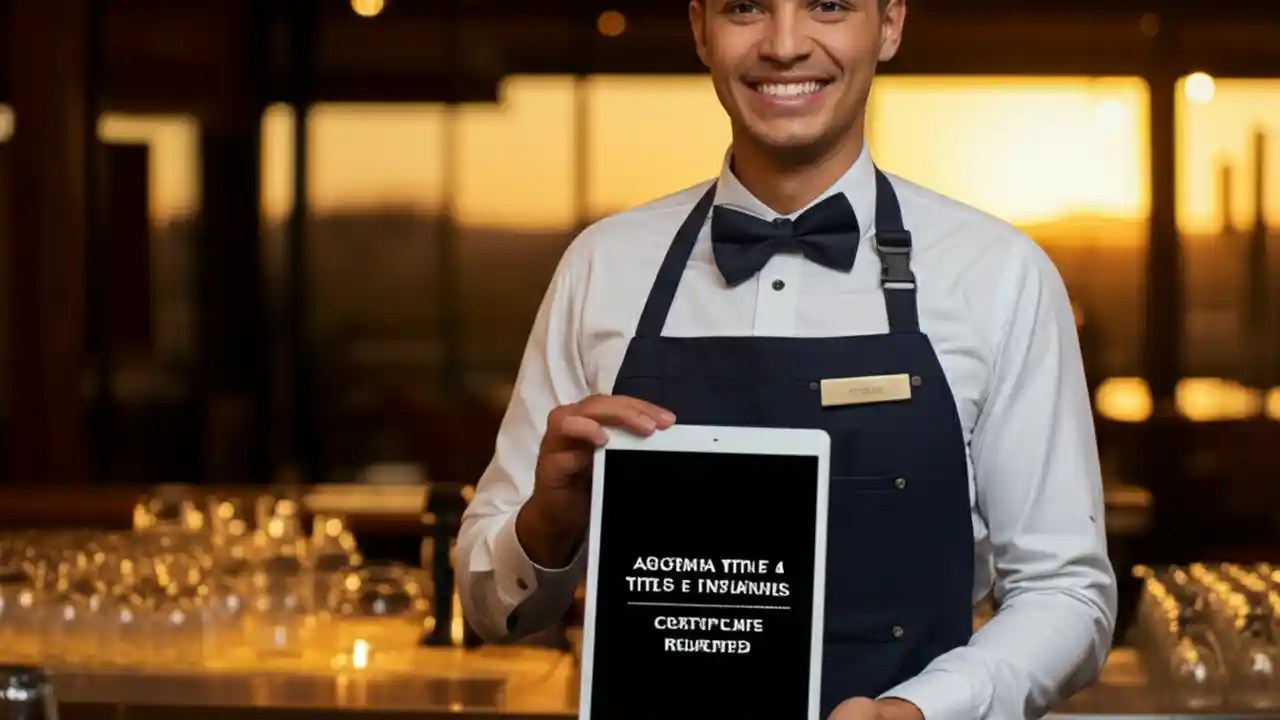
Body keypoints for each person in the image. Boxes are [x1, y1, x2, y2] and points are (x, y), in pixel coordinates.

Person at [456, 0, 1118, 718]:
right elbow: (490, 605)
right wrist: (546, 526)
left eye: (828, 5)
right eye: (746, 8)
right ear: (700, 29)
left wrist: (921, 711)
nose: (784, 44)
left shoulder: (1000, 275)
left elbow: (1067, 593)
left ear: (890, 24)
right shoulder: (602, 267)